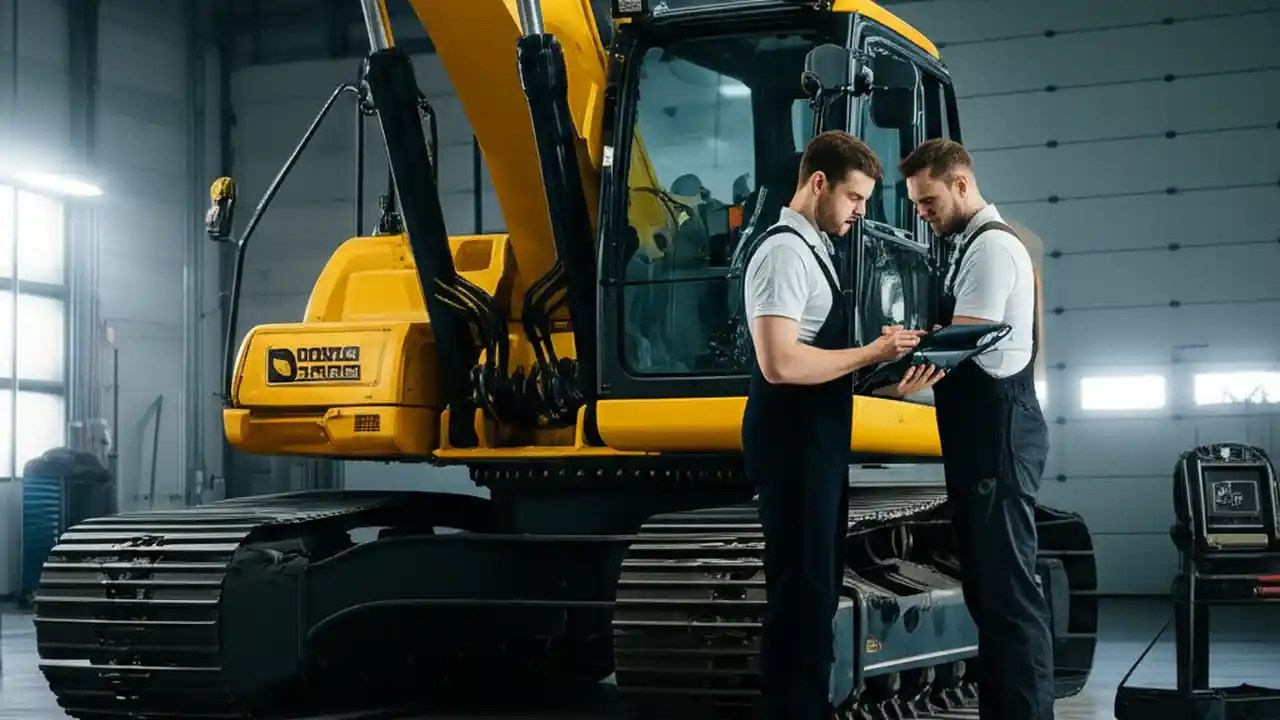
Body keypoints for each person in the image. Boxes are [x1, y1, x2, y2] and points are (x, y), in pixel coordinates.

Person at [740, 130, 939, 720]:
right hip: (792, 445)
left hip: (815, 443)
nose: (859, 213)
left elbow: (816, 365)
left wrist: (883, 376)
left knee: (816, 590)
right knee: (800, 597)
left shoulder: (814, 249)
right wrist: (870, 354)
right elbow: (779, 363)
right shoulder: (783, 253)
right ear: (819, 182)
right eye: (854, 198)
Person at [894, 137, 1054, 720]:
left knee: (1009, 598)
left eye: (928, 200)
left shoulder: (990, 250)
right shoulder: (968, 246)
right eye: (916, 204)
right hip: (983, 439)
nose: (923, 212)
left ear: (961, 183)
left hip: (999, 439)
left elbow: (954, 347)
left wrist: (876, 367)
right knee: (991, 596)